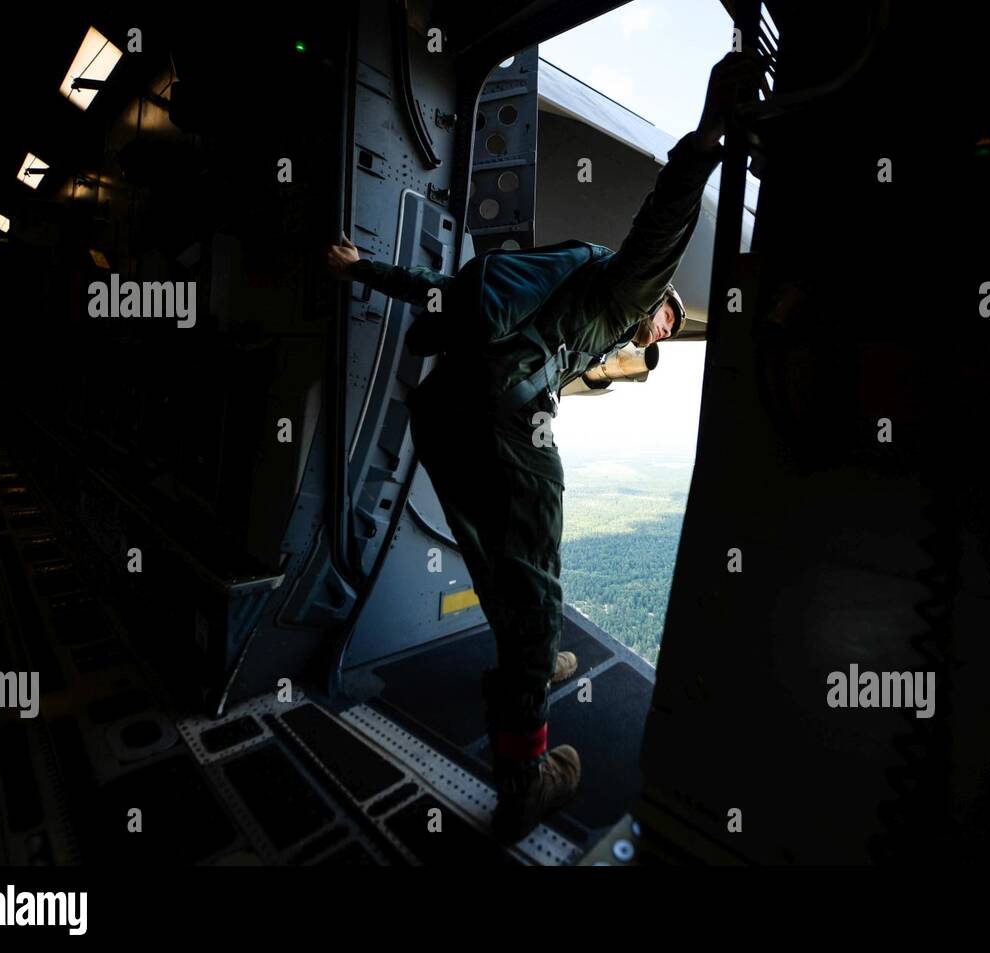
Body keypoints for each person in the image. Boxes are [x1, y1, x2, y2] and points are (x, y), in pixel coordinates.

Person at [328, 51, 768, 842]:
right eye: (666, 321)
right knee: (535, 582)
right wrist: (706, 137)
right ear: (657, 303)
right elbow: (661, 227)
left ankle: (526, 661)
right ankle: (526, 776)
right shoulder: (623, 289)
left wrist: (368, 270)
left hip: (446, 408)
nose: (662, 331)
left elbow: (448, 294)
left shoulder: (558, 290)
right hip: (505, 412)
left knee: (499, 564)